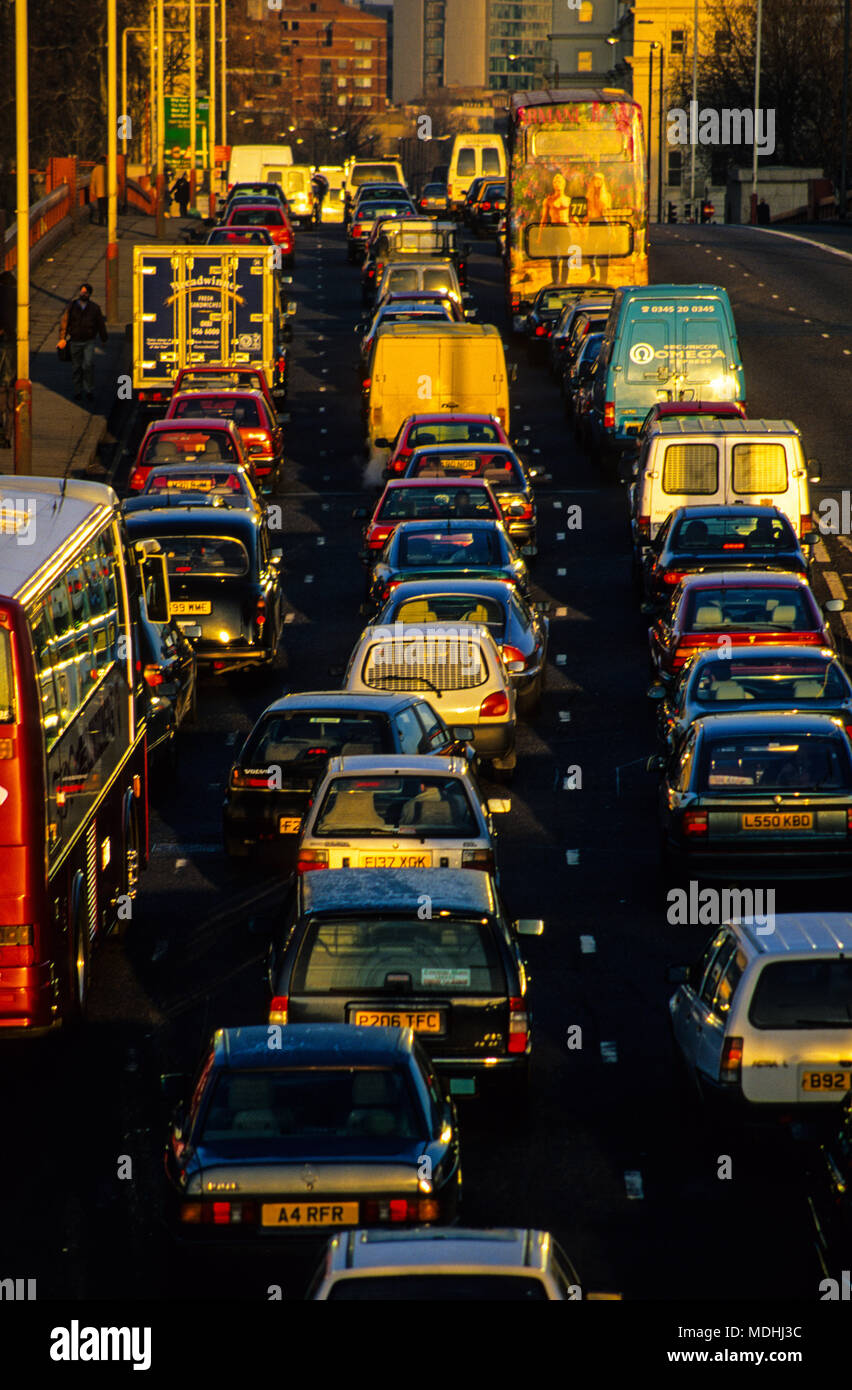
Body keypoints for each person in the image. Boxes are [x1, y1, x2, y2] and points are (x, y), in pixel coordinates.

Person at [57, 282, 108, 404]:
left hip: (88, 341)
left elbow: (100, 324)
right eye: (81, 291)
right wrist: (62, 338)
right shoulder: (72, 306)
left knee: (88, 365)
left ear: (89, 294)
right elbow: (65, 322)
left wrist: (103, 338)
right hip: (75, 341)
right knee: (76, 367)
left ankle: (89, 389)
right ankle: (78, 391)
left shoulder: (94, 308)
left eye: (85, 292)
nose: (83, 294)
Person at [89, 158, 107, 226]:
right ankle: (108, 220)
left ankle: (101, 221)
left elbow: (93, 181)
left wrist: (93, 191)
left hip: (100, 192)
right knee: (107, 207)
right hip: (108, 192)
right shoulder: (109, 169)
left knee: (101, 207)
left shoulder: (95, 170)